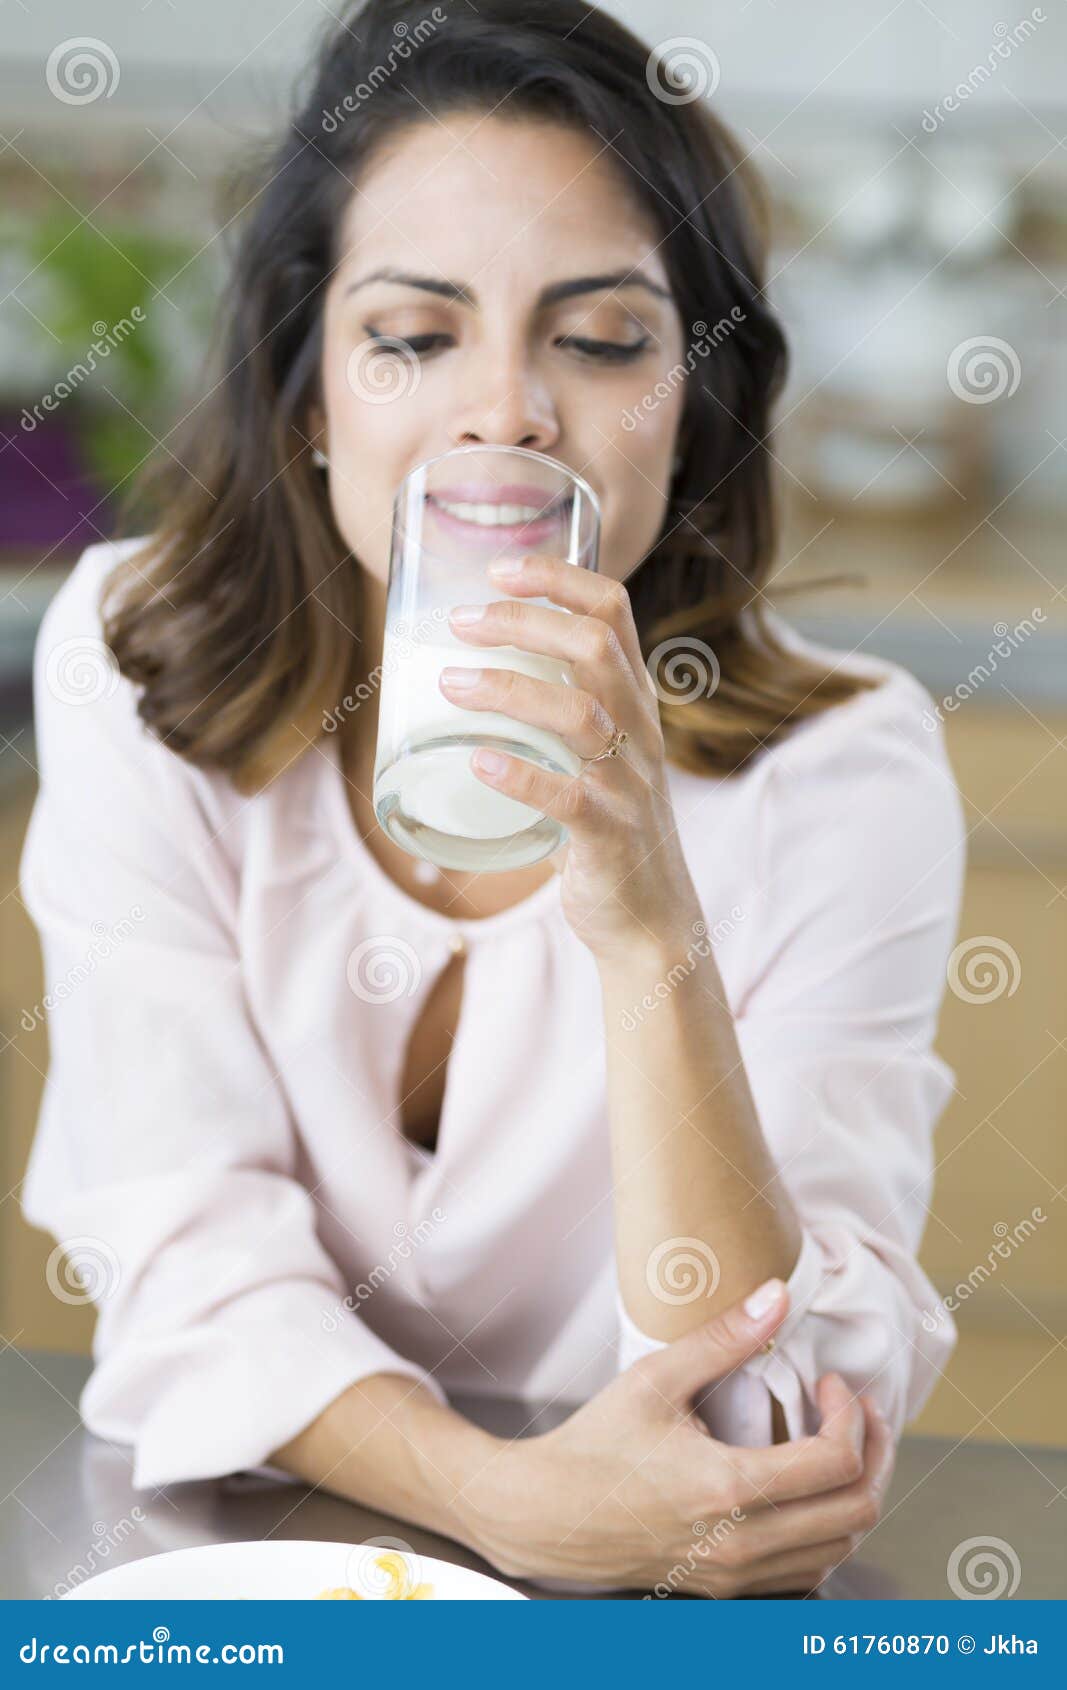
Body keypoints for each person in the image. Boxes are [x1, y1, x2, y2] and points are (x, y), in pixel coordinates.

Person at [19, 0, 964, 1597]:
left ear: (696, 404)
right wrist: (500, 1499)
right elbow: (181, 1255)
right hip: (260, 1572)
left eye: (600, 341)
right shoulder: (137, 663)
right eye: (414, 332)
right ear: (314, 396)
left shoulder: (844, 773)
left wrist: (649, 918)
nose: (510, 410)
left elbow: (765, 1410)